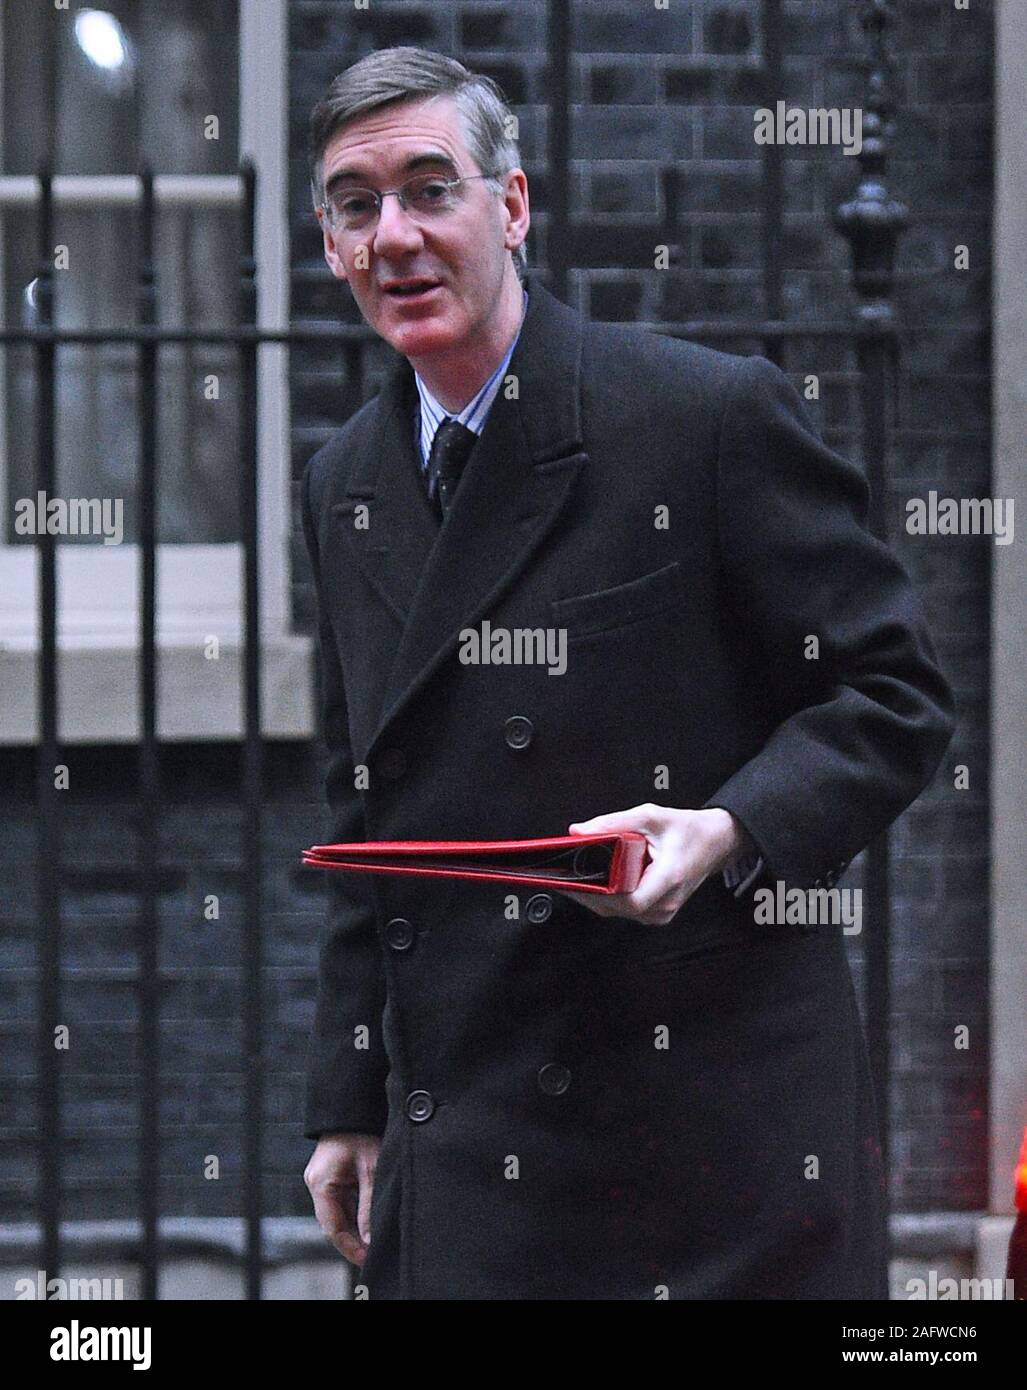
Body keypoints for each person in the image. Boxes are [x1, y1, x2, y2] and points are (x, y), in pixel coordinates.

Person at [299, 46, 955, 1300]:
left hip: (702, 1144)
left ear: (513, 206)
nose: (395, 235)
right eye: (355, 203)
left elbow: (892, 692)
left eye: (431, 188)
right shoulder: (343, 485)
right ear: (330, 243)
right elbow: (362, 813)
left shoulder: (700, 418)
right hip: (470, 1138)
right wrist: (351, 1098)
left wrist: (729, 826)